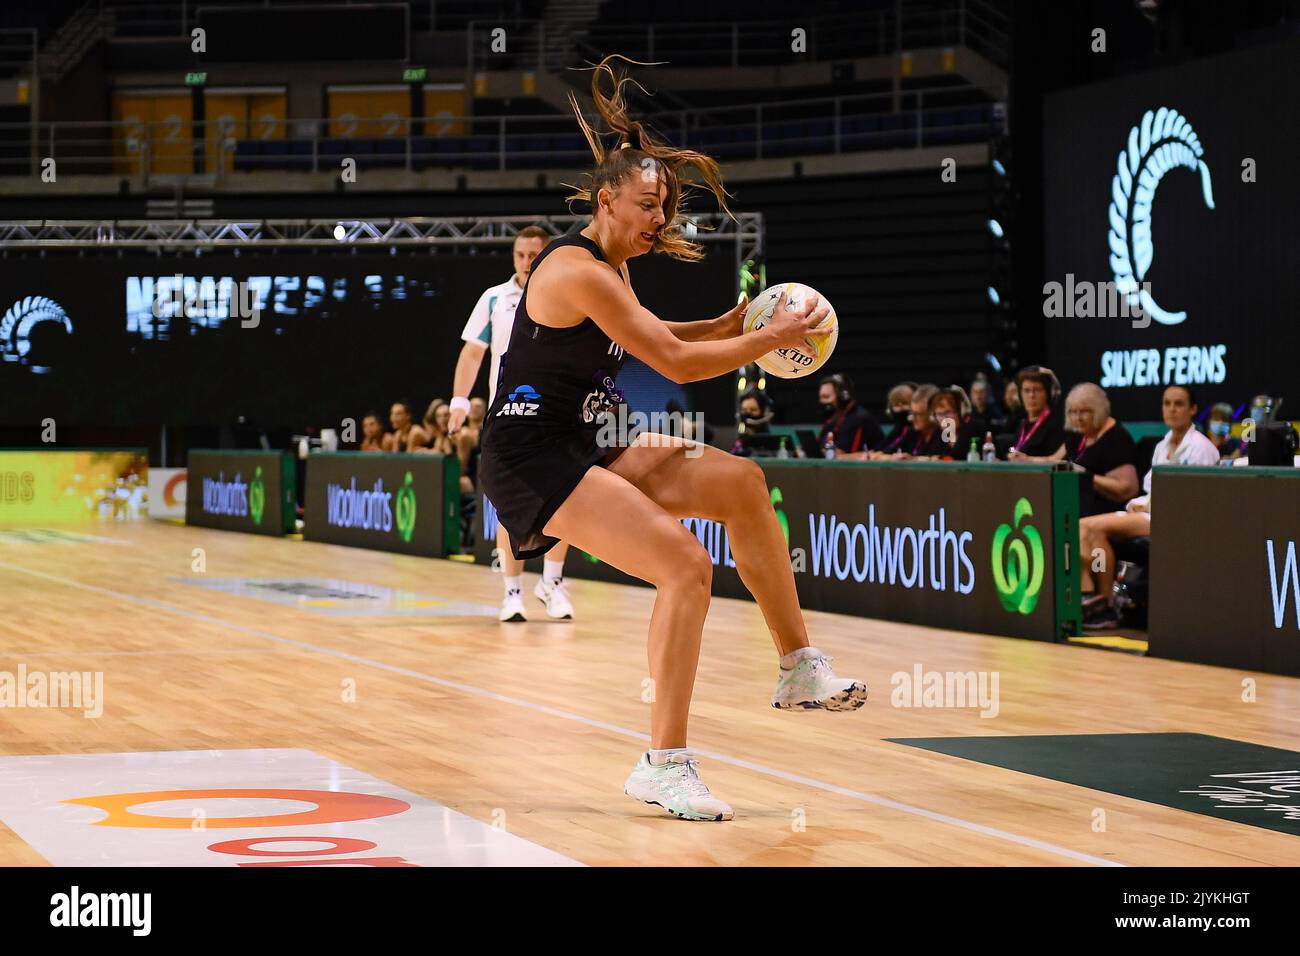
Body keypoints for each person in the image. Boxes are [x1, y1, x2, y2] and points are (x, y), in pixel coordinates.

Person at [477, 54, 867, 822]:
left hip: (587, 438)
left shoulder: (613, 271)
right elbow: (675, 360)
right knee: (686, 568)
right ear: (607, 198)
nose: (662, 219)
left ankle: (797, 666)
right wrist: (767, 340)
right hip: (532, 455)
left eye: (666, 207)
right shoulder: (576, 269)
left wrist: (733, 323)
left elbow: (661, 336)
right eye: (650, 204)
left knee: (742, 486)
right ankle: (665, 764)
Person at [447, 227, 577, 622]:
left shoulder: (567, 291)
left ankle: (552, 584)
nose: (526, 262)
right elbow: (472, 353)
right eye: (520, 254)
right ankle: (513, 592)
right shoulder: (493, 299)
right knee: (508, 509)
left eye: (534, 254)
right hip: (508, 420)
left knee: (569, 500)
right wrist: (458, 400)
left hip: (558, 415)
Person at [1078, 384, 1218, 630]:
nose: (1172, 410)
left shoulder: (1202, 448)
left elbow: (1200, 498)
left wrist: (1150, 506)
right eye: (1167, 403)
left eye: (1179, 404)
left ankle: (1092, 595)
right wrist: (1138, 504)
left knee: (1085, 525)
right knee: (1093, 531)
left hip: (1175, 521)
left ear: (1193, 409)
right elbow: (1150, 491)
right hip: (1152, 515)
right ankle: (1102, 604)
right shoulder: (1162, 446)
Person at [1059, 383, 1139, 517]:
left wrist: (1085, 476)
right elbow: (1054, 460)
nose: (1078, 418)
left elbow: (1128, 489)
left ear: (1098, 410)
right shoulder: (1078, 434)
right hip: (1076, 506)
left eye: (1084, 411)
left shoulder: (1116, 438)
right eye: (1073, 412)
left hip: (1106, 511)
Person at [1006, 366, 1066, 461]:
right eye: (1026, 390)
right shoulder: (1022, 424)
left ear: (1048, 394)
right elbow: (1014, 448)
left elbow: (1059, 462)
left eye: (1037, 390)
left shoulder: (1057, 425)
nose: (1031, 395)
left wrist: (1028, 459)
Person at [816, 372, 882, 455]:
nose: (821, 402)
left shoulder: (858, 418)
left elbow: (841, 455)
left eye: (826, 397)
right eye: (821, 397)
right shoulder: (833, 418)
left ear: (843, 397)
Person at [917, 385, 985, 459]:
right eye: (940, 414)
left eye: (948, 412)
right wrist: (912, 459)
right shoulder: (939, 434)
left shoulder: (975, 429)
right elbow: (928, 456)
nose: (944, 419)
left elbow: (956, 457)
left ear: (961, 412)